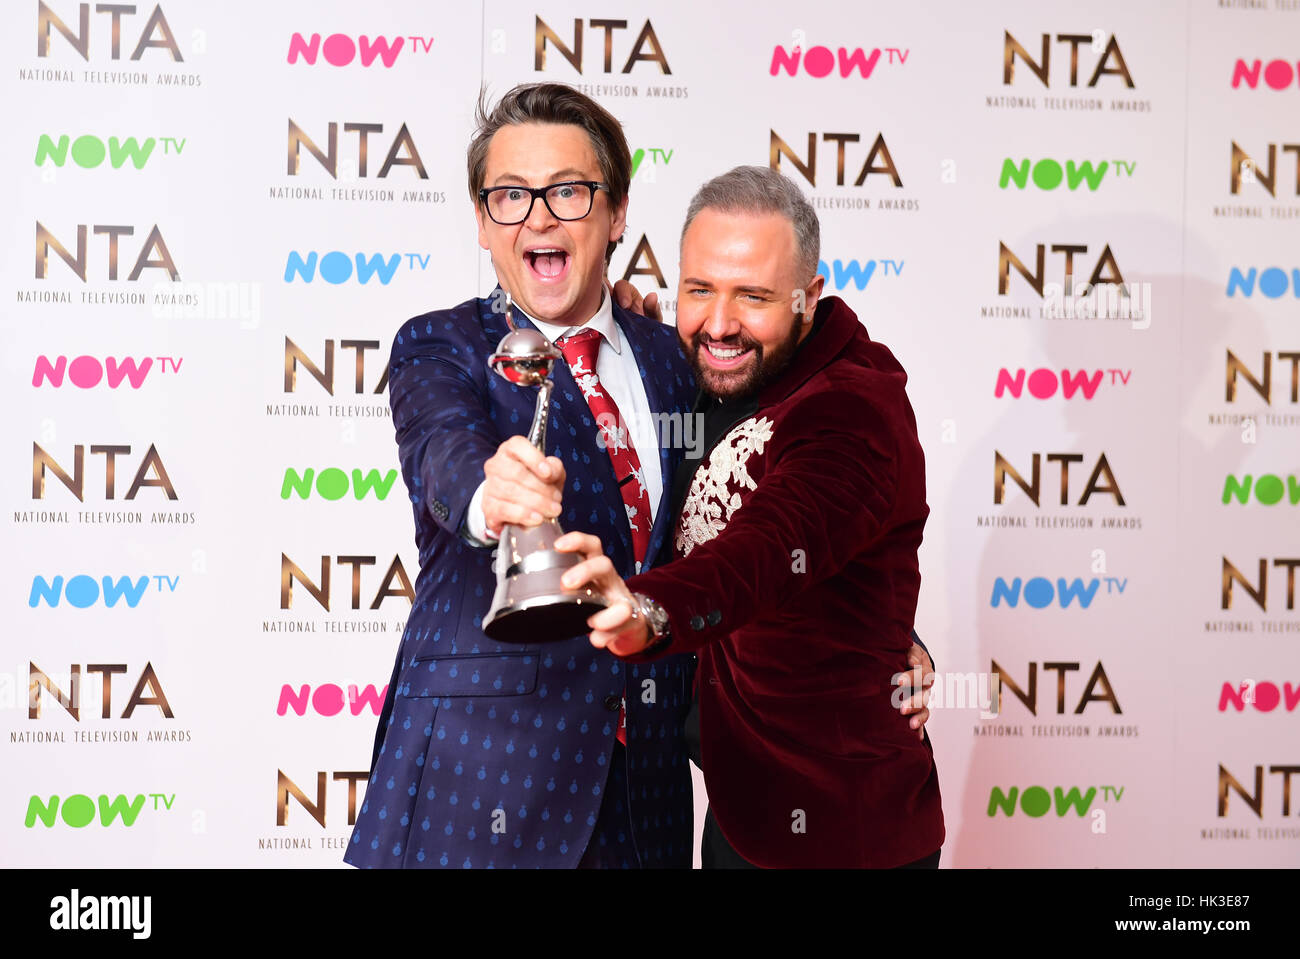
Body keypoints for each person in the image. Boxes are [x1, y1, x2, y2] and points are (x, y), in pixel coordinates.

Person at [347, 83, 934, 869]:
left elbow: (772, 516)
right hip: (477, 785)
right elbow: (440, 452)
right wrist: (496, 496)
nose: (540, 216)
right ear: (484, 223)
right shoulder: (439, 346)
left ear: (616, 214)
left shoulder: (675, 355)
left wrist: (885, 631)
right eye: (510, 196)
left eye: (568, 191)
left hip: (646, 799)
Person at [556, 165, 945, 868]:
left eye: (754, 296)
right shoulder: (706, 372)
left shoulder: (852, 408)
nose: (721, 322)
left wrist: (647, 609)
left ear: (809, 296)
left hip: (843, 829)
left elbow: (768, 550)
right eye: (700, 289)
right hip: (744, 811)